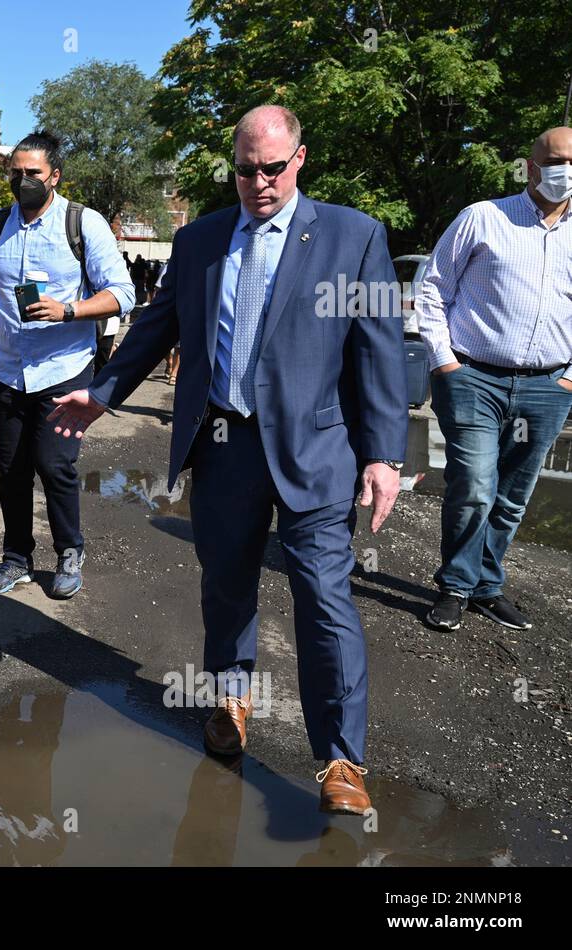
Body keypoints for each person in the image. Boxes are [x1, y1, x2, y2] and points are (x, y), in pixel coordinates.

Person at [49, 105, 407, 814]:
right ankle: (232, 699)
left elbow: (379, 350)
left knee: (325, 603)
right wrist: (102, 393)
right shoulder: (204, 237)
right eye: (245, 170)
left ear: (300, 159)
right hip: (224, 446)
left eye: (272, 168)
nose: (259, 182)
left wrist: (385, 455)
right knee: (226, 587)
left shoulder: (353, 236)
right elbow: (159, 326)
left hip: (317, 450)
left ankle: (340, 759)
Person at [416, 127, 572, 633]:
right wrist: (445, 364)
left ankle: (487, 586)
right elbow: (433, 288)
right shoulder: (484, 218)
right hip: (474, 378)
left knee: (513, 495)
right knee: (476, 486)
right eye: (557, 160)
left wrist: (569, 379)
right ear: (531, 166)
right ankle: (456, 586)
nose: (565, 171)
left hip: (548, 387)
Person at [0, 131, 134, 600]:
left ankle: (69, 551)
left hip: (64, 368)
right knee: (11, 470)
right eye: (16, 173)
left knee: (54, 464)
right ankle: (17, 558)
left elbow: (124, 293)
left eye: (33, 174)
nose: (23, 182)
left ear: (55, 176)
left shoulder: (84, 224)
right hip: (8, 370)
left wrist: (69, 309)